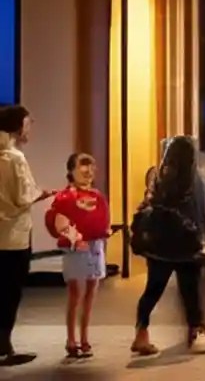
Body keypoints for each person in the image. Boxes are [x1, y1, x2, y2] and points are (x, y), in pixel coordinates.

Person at [132, 136, 205, 356]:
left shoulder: (158, 177)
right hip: (185, 245)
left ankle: (141, 334)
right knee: (190, 292)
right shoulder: (195, 179)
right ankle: (198, 334)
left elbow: (149, 202)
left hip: (159, 245)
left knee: (152, 290)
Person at [0, 105, 54, 366]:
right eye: (28, 123)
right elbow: (22, 197)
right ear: (18, 126)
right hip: (12, 237)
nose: (30, 128)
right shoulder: (14, 157)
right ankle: (3, 347)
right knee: (9, 293)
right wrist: (40, 193)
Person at [46, 153, 110, 359]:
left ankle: (84, 338)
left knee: (91, 291)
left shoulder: (98, 196)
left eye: (91, 166)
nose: (88, 171)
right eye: (83, 165)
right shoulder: (65, 198)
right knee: (76, 293)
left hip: (96, 246)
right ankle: (71, 339)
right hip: (76, 248)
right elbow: (59, 224)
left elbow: (104, 221)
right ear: (71, 170)